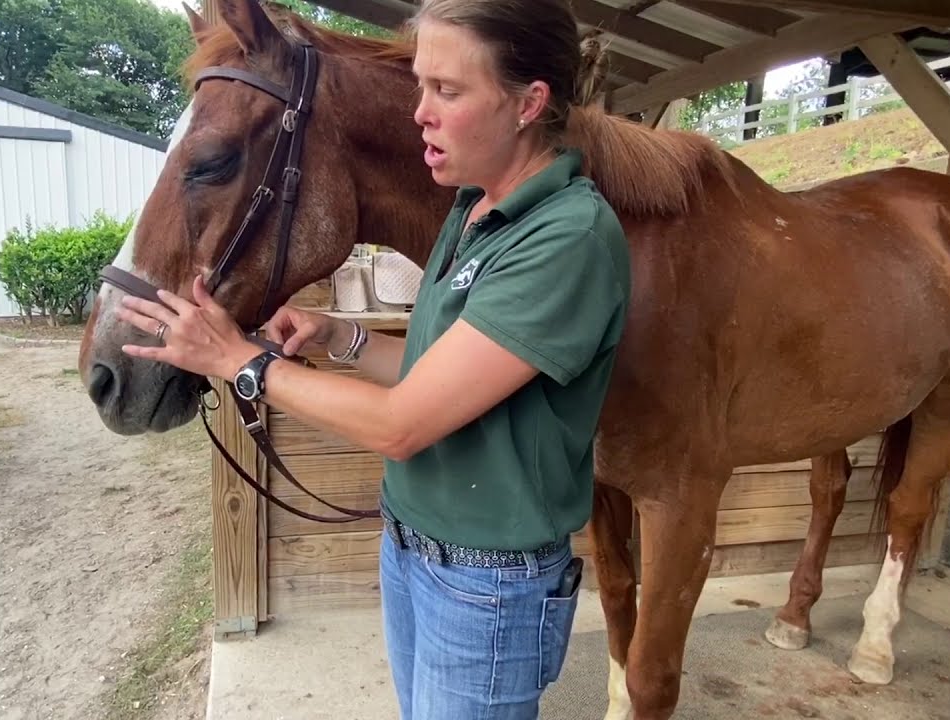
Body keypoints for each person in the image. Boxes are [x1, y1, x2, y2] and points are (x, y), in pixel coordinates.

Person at [116, 0, 631, 716]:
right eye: (421, 85)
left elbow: (403, 424)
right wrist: (340, 339)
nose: (419, 111)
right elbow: (433, 375)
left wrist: (241, 359)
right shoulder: (471, 211)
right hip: (414, 551)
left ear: (528, 103)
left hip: (488, 586)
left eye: (447, 90)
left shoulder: (567, 237)